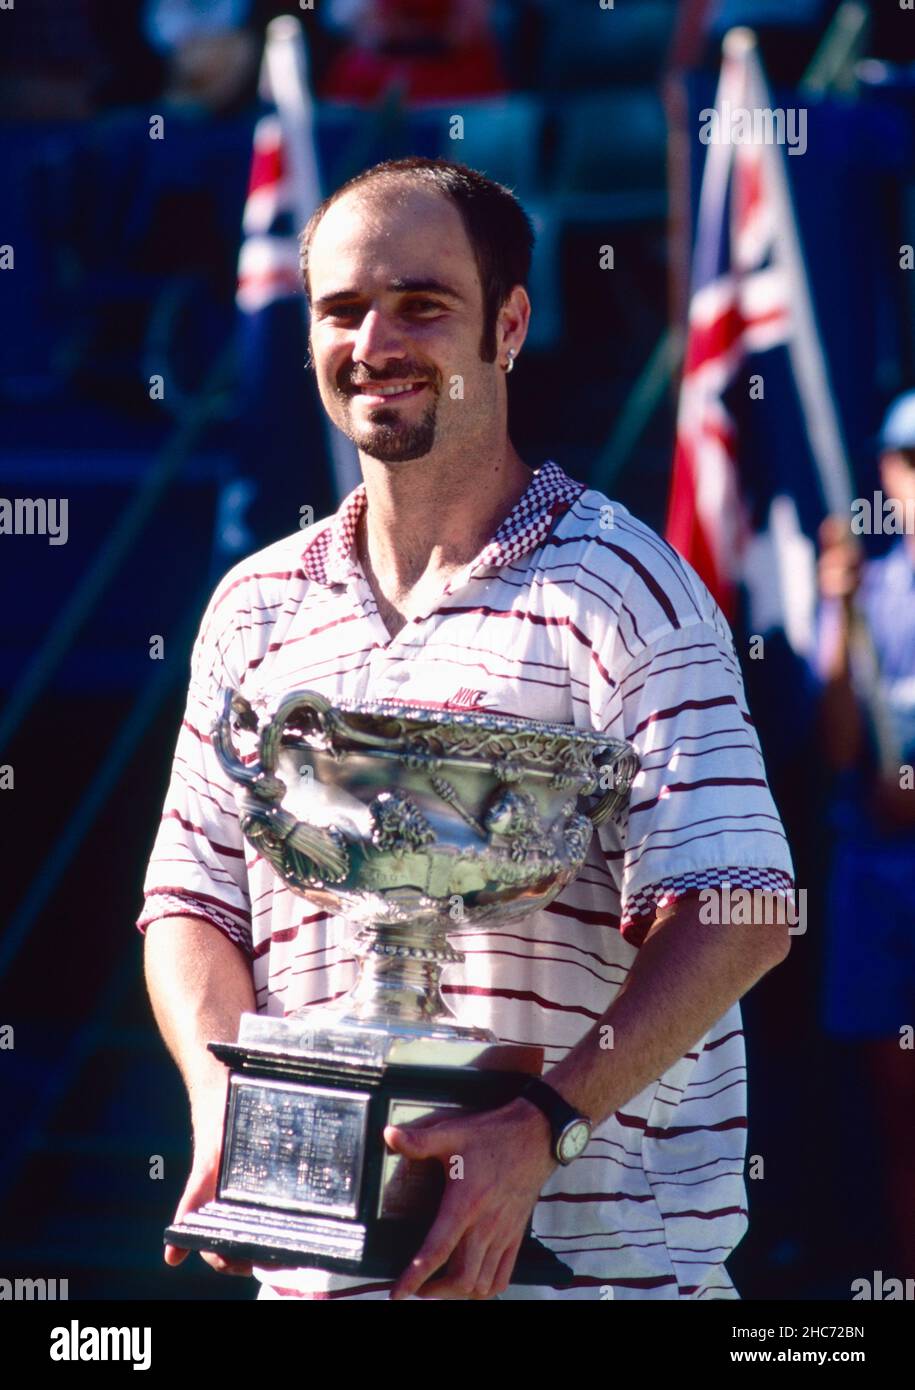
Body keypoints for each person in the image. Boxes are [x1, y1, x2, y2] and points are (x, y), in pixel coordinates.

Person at [138, 156, 795, 1301]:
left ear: (509, 326)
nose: (375, 342)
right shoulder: (253, 607)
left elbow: (744, 909)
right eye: (341, 309)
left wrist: (544, 1125)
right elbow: (189, 901)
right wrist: (228, 1109)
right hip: (319, 1285)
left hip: (589, 1280)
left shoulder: (628, 588)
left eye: (422, 304)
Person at [815, 389, 915, 1275]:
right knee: (897, 1115)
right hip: (879, 884)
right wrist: (839, 616)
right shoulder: (867, 590)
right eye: (910, 463)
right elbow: (835, 744)